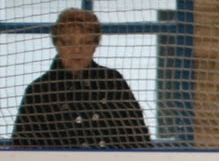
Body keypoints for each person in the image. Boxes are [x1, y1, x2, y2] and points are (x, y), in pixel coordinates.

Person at [11, 8, 150, 149]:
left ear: (95, 45)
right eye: (68, 42)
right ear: (57, 44)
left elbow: (140, 140)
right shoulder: (39, 91)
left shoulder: (112, 82)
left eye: (85, 42)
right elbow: (21, 150)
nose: (77, 50)